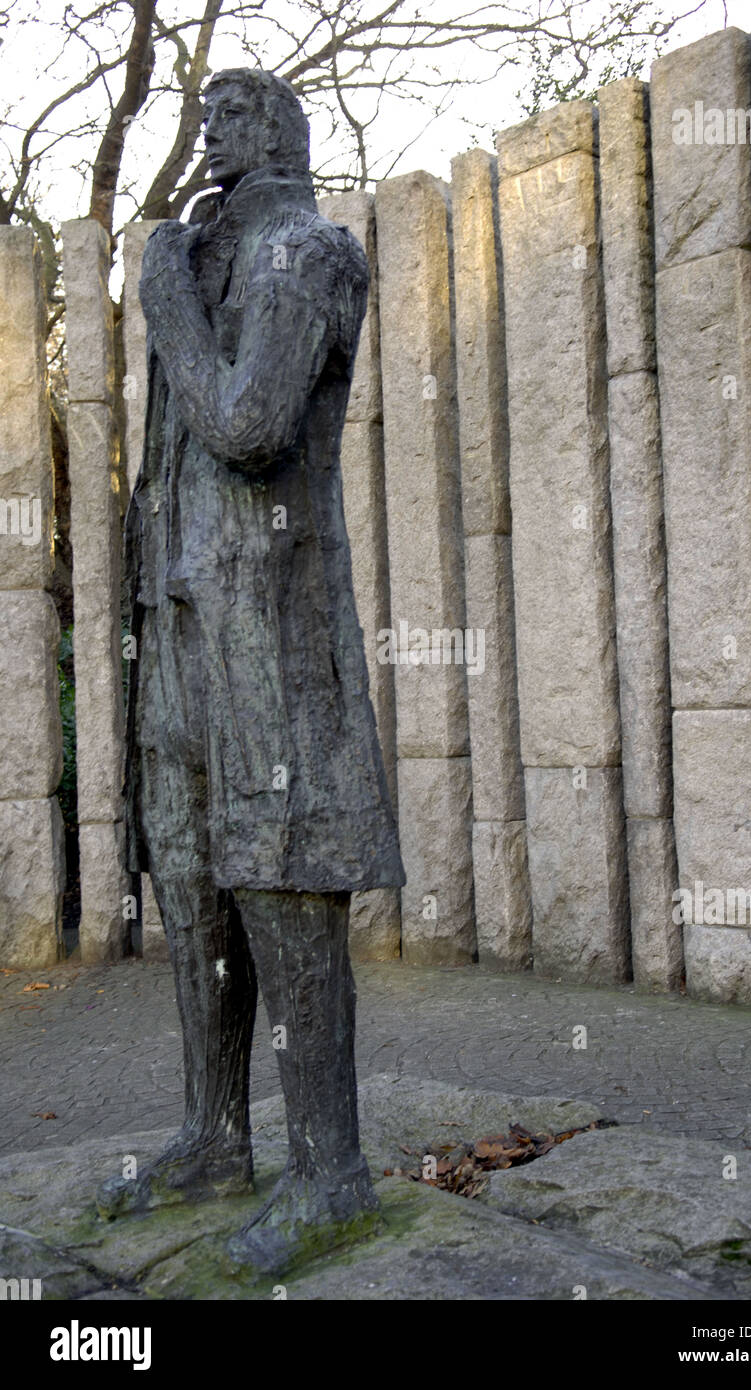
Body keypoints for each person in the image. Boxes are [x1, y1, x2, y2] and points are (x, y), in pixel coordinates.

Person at [100, 67, 404, 1273]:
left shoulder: (304, 251)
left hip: (267, 618)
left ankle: (329, 1169)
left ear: (278, 128)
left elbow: (247, 425)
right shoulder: (214, 251)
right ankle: (214, 1131)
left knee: (279, 872)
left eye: (233, 111)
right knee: (187, 865)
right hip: (177, 617)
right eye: (208, 113)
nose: (212, 128)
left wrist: (163, 291)